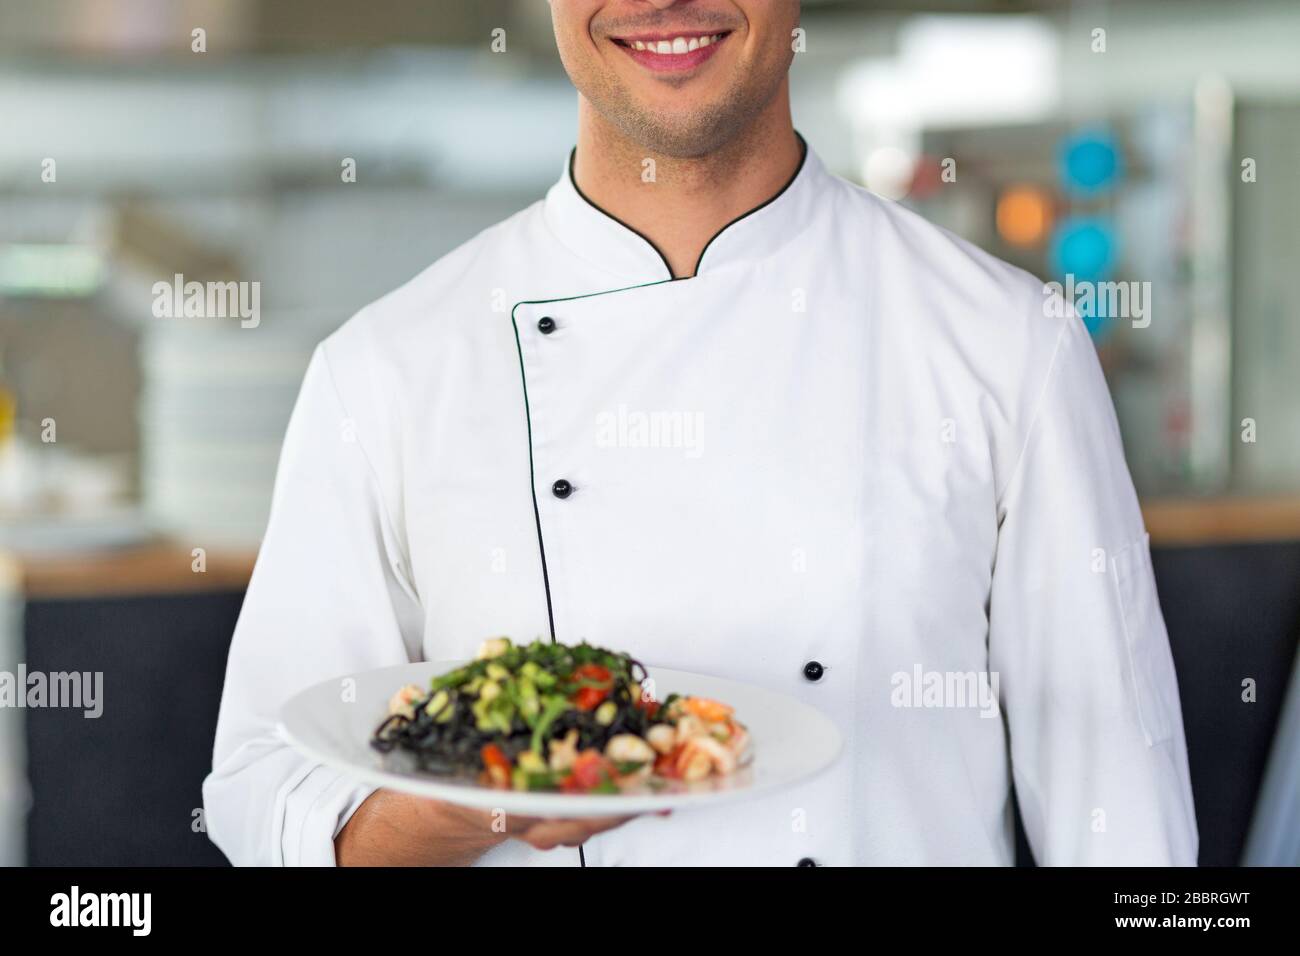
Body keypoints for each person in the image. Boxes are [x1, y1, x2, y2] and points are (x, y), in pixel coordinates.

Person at [203, 0, 1198, 866]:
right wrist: (485, 798)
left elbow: (1120, 813)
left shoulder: (1007, 345)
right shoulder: (387, 369)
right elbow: (264, 798)